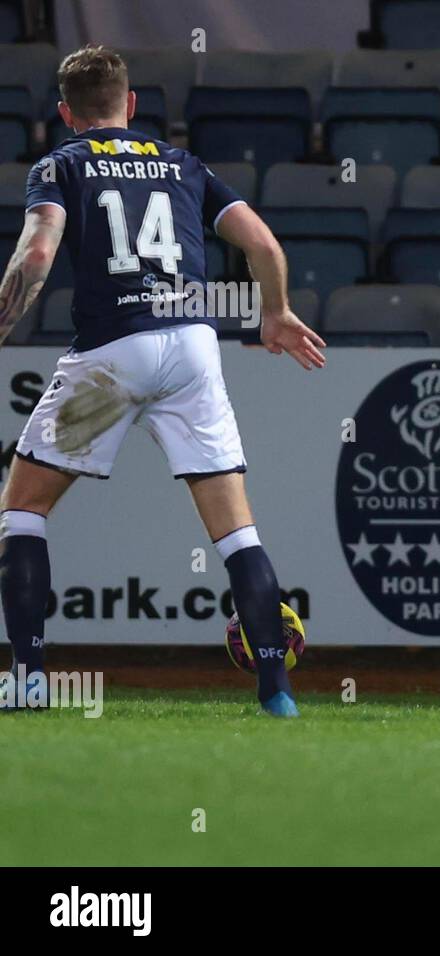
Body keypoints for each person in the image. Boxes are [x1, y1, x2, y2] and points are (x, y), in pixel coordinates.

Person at [0, 45, 325, 716]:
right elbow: (261, 243)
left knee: (23, 509)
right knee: (237, 533)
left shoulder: (60, 164)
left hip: (112, 357)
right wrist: (277, 313)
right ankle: (277, 693)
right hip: (191, 348)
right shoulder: (183, 164)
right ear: (133, 105)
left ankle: (28, 678)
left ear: (65, 112)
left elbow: (37, 252)